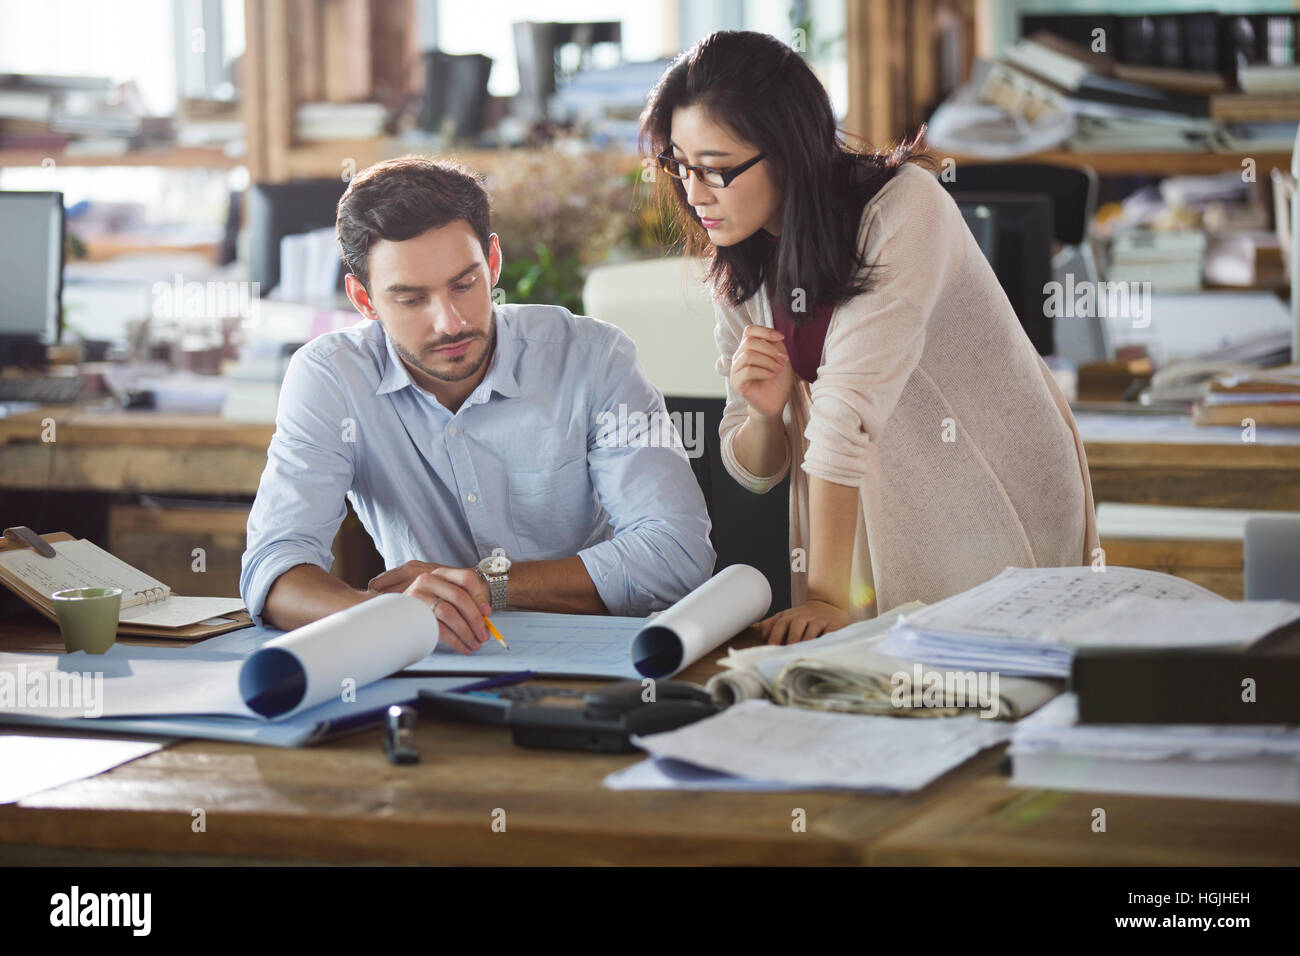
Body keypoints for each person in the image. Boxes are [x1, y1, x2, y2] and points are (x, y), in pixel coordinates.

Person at [639, 31, 1099, 645]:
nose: (695, 195)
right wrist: (764, 416)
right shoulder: (742, 256)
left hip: (985, 492)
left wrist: (827, 598)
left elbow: (843, 414)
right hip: (862, 522)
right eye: (681, 166)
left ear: (789, 150)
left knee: (984, 686)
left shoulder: (904, 207)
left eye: (717, 170)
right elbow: (754, 472)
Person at [239, 157, 715, 652]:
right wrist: (389, 616)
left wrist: (486, 586)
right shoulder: (331, 377)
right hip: (431, 663)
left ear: (492, 263)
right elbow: (273, 567)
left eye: (464, 285)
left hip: (599, 659)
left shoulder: (592, 358)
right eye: (410, 299)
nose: (449, 322)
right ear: (363, 300)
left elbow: (676, 555)